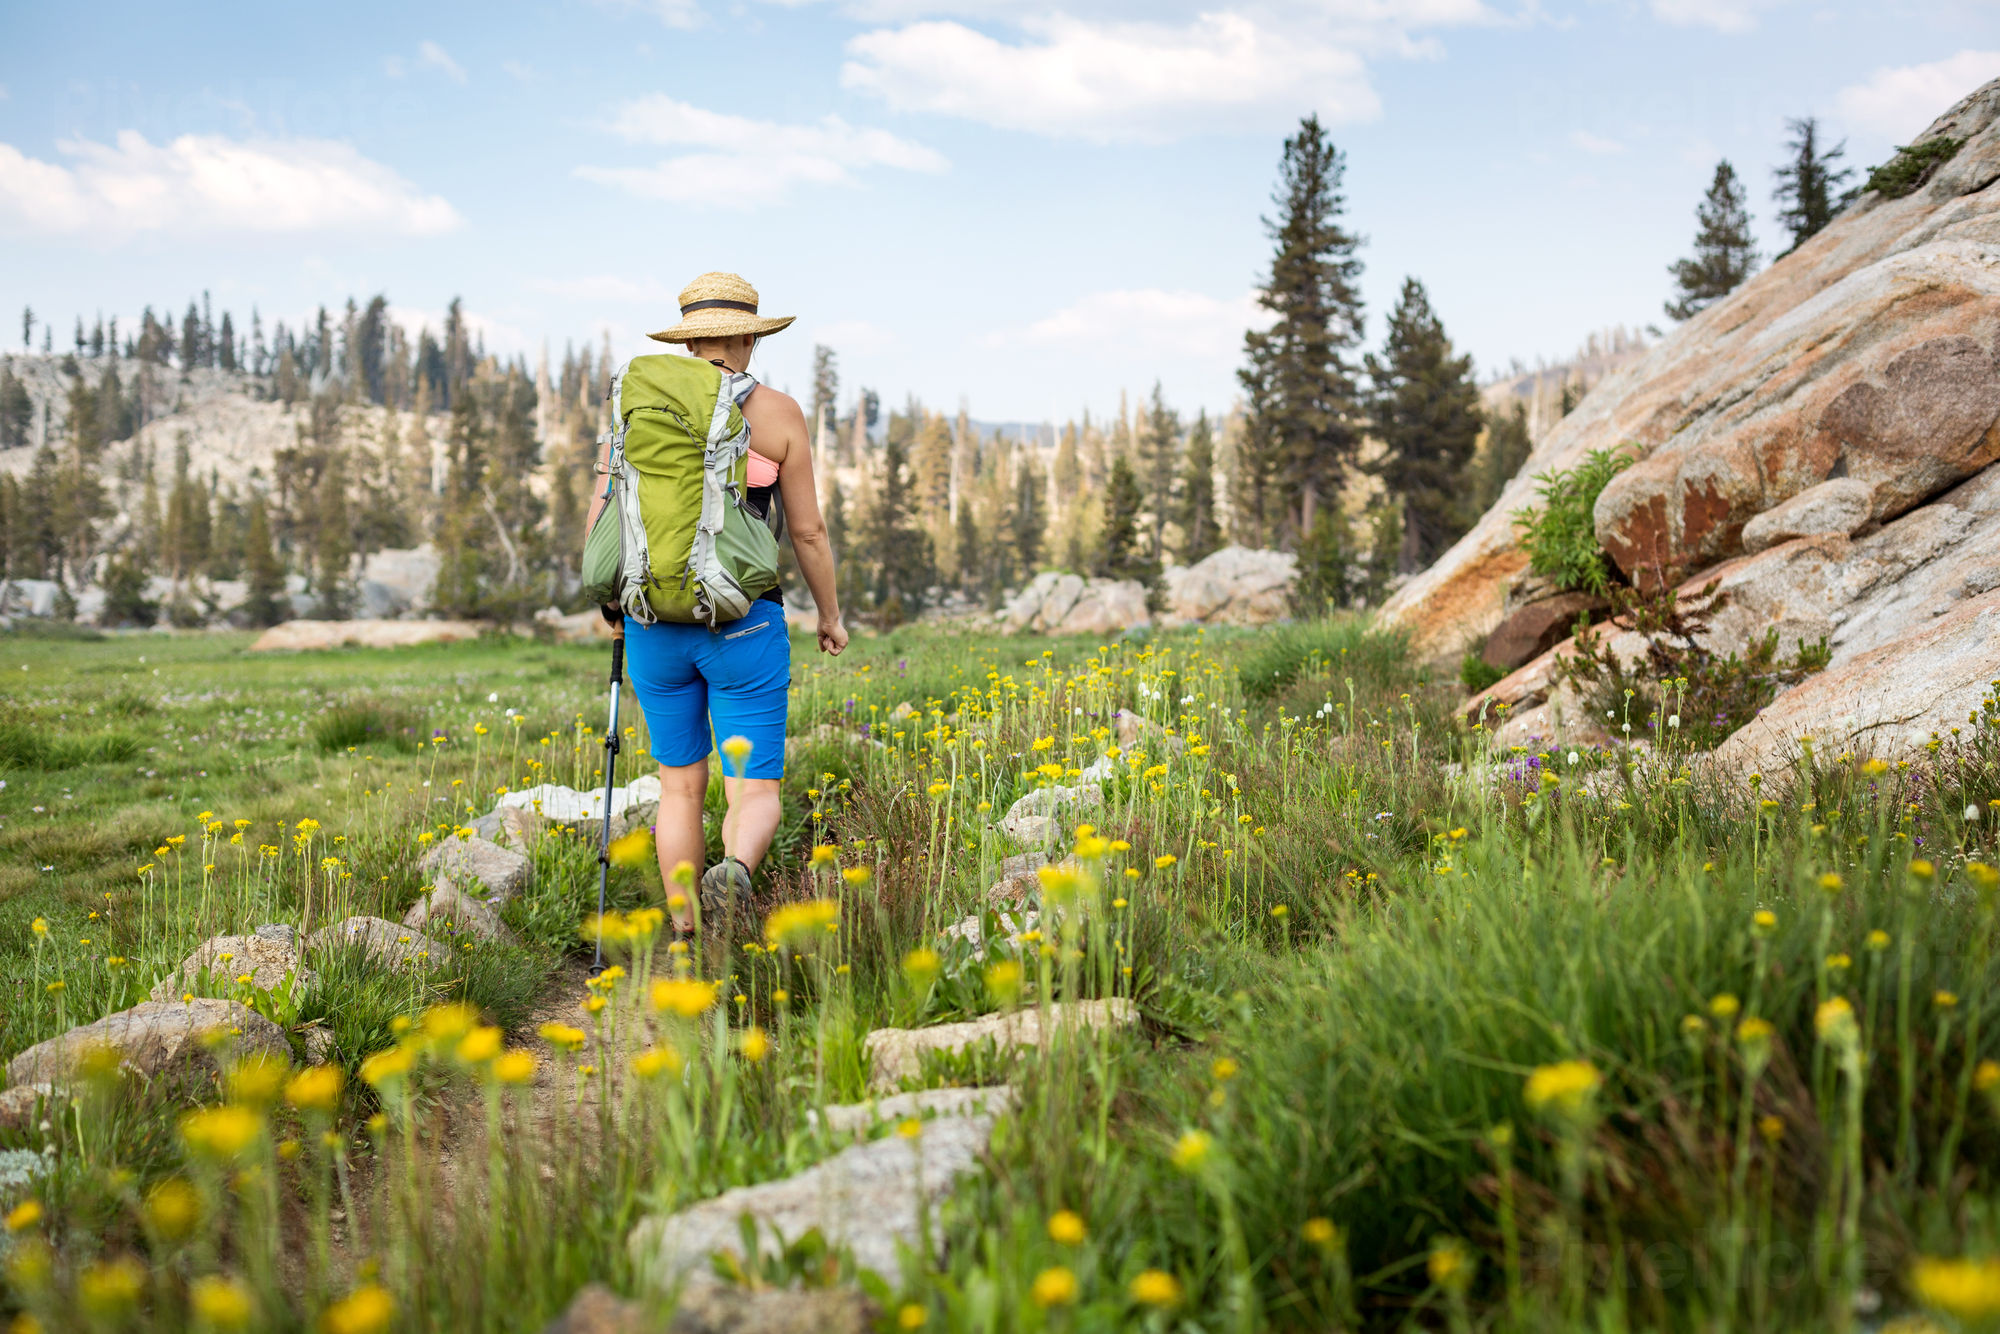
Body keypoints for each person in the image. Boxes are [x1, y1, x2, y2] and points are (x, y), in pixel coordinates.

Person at [587, 272, 847, 935]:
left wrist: (608, 596)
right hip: (744, 623)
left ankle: (682, 934)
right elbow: (809, 530)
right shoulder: (777, 412)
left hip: (652, 623)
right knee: (752, 791)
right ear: (746, 337)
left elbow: (606, 510)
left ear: (689, 341)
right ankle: (734, 871)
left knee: (679, 787)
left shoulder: (633, 406)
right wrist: (830, 614)